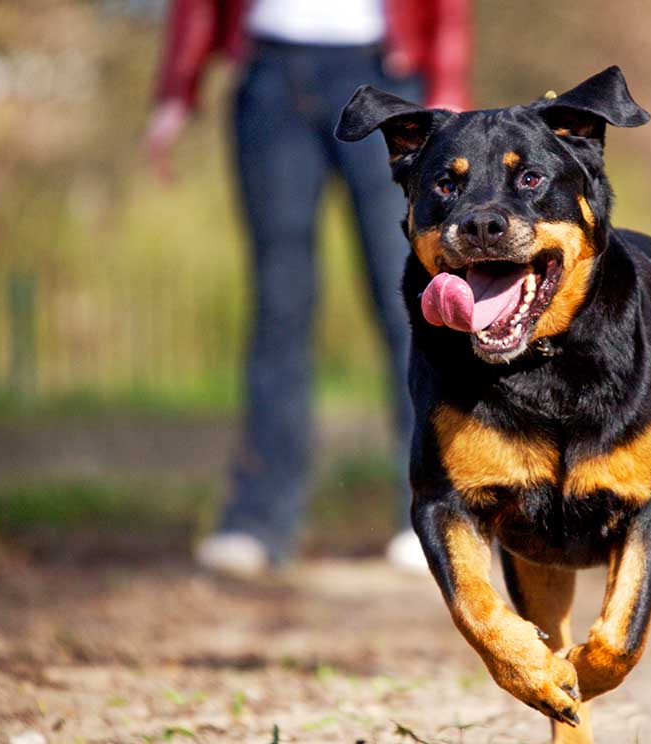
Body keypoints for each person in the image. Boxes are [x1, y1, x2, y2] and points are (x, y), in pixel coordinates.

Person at [144, 0, 472, 575]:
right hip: (269, 75)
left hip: (384, 69)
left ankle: (434, 508)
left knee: (413, 299)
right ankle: (257, 520)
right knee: (279, 307)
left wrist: (446, 78)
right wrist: (178, 87)